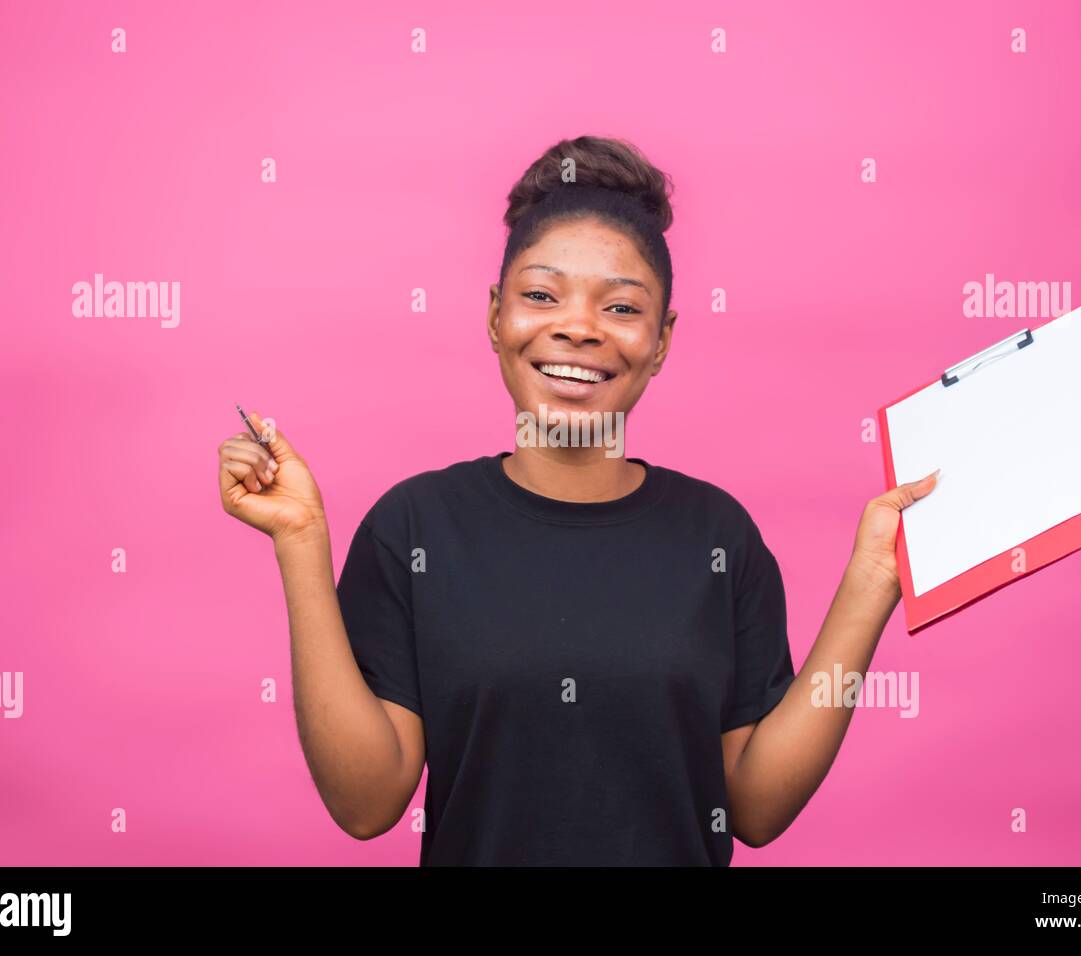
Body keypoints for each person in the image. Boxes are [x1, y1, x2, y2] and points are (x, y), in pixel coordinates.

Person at [217, 135, 939, 866]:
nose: (579, 328)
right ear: (496, 315)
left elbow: (753, 806)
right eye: (540, 295)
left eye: (622, 307)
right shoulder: (414, 528)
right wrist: (301, 542)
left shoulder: (719, 536)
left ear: (660, 343)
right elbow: (366, 804)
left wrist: (873, 582)